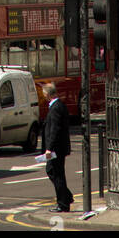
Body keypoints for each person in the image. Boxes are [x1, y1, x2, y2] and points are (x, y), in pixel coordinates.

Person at [42, 83, 73, 213]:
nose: (44, 96)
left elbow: (54, 130)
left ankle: (63, 203)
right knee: (54, 172)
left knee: (55, 173)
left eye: (44, 94)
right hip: (59, 147)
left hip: (56, 149)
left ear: (48, 94)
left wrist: (49, 148)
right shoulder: (60, 105)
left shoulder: (55, 108)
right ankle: (66, 197)